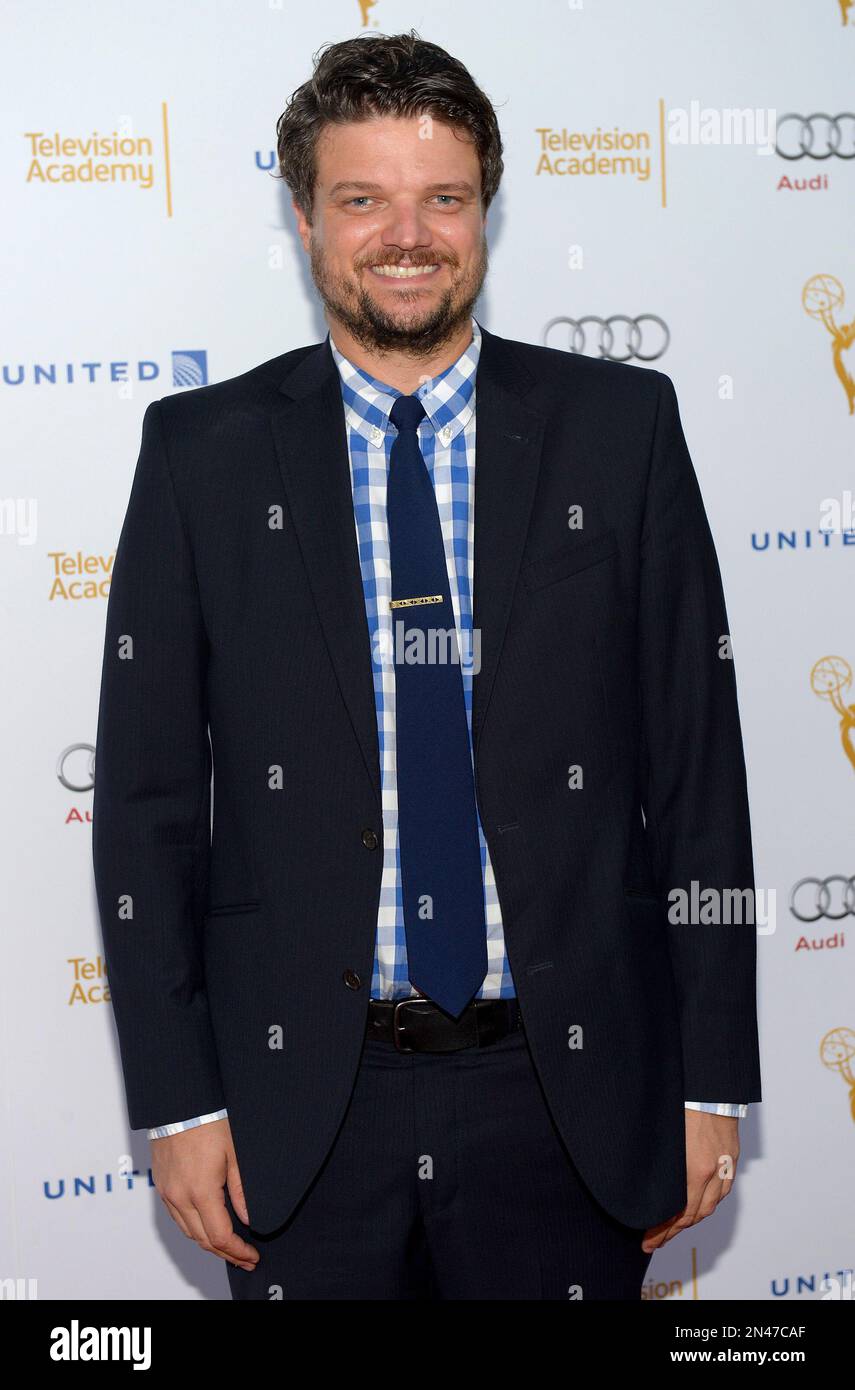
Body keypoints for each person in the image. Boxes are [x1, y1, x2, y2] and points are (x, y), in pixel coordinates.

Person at [92, 31, 761, 1301]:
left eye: (442, 197)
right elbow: (145, 812)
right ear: (304, 219)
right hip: (301, 1104)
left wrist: (711, 1072)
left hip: (567, 1094)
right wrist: (176, 1103)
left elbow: (696, 777)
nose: (408, 234)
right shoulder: (201, 456)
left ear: (485, 212)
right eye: (364, 200)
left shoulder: (621, 432)